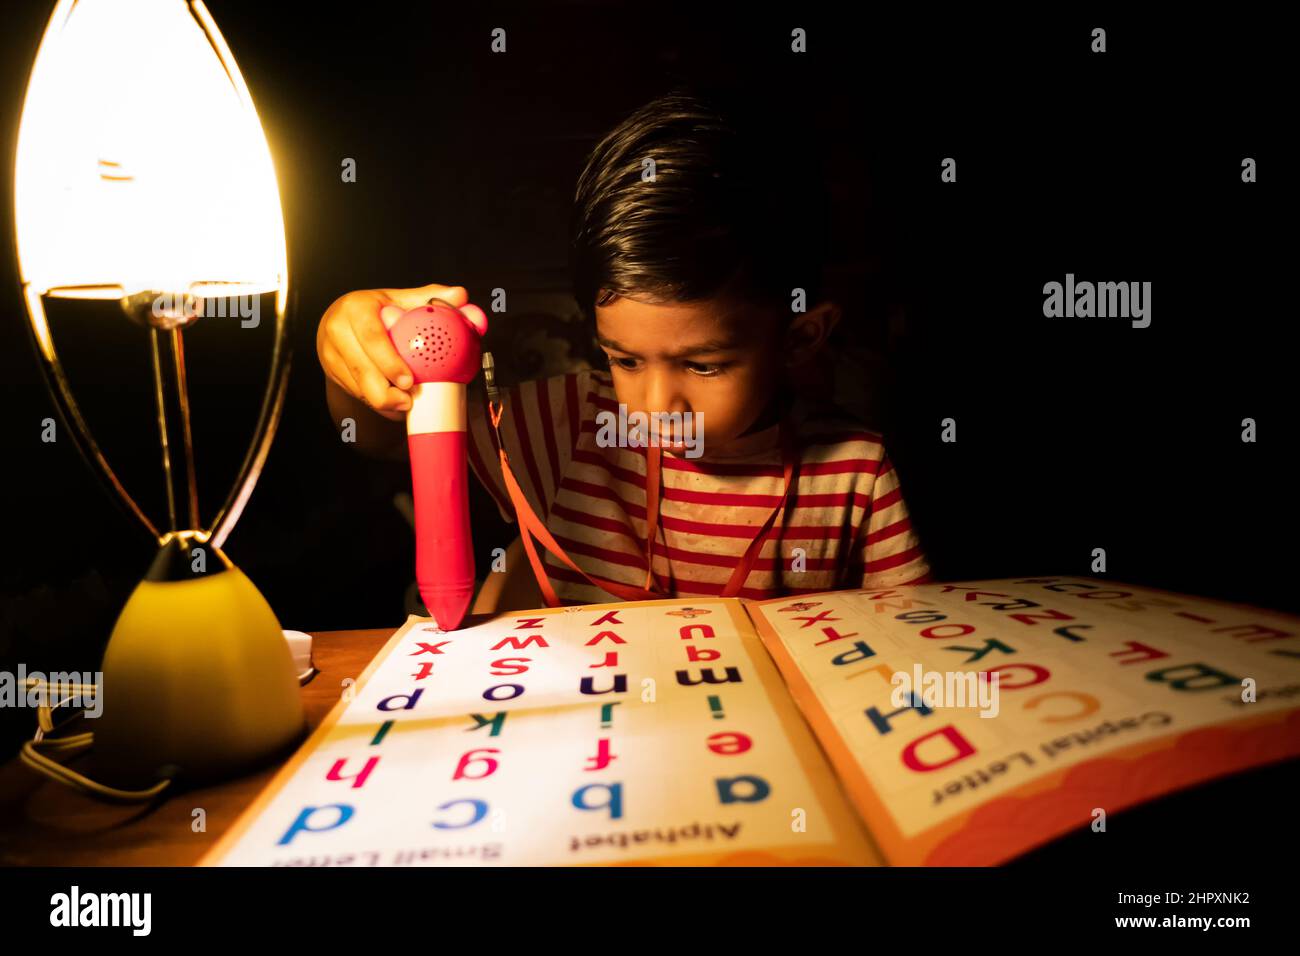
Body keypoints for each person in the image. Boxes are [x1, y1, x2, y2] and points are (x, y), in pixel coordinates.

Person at [319, 86, 931, 606]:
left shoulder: (855, 474)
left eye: (704, 364)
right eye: (626, 360)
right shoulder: (567, 427)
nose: (656, 405)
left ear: (800, 337)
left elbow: (904, 640)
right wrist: (352, 348)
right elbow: (375, 437)